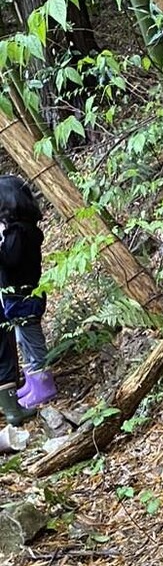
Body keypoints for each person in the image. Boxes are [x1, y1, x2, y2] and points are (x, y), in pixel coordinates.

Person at [0, 175, 55, 415]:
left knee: (31, 341)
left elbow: (9, 259)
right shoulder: (22, 229)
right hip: (21, 297)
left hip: (24, 298)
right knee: (24, 339)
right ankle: (33, 383)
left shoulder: (19, 232)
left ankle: (44, 385)